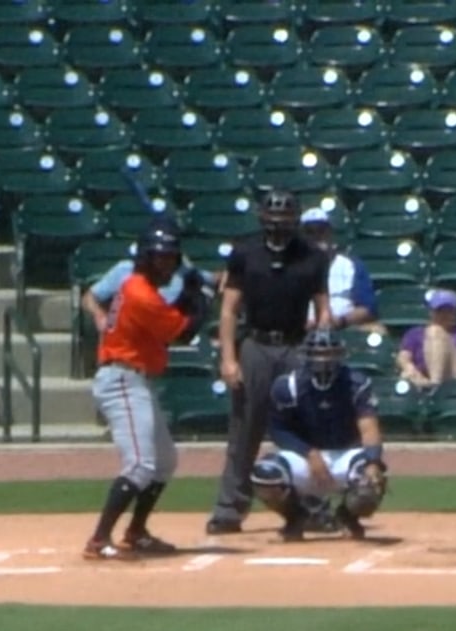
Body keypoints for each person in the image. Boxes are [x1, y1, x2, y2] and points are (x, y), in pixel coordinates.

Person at [206, 189, 332, 535]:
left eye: (286, 218)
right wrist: (228, 358)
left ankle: (314, 507)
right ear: (263, 218)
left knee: (303, 429)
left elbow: (323, 309)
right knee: (244, 430)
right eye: (274, 218)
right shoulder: (245, 253)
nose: (279, 224)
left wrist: (321, 344)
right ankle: (229, 509)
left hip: (296, 345)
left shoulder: (312, 256)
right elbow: (229, 309)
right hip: (256, 345)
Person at [84, 223, 209, 560]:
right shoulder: (140, 293)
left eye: (170, 258)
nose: (166, 264)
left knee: (164, 461)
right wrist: (200, 298)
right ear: (145, 258)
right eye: (160, 258)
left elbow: (167, 315)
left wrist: (188, 294)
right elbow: (183, 332)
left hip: (135, 379)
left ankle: (136, 532)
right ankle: (99, 540)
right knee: (140, 465)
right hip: (122, 380)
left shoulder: (141, 289)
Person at [250, 330, 388, 540]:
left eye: (329, 353)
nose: (324, 360)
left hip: (345, 454)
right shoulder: (288, 385)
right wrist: (309, 453)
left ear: (340, 354)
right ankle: (296, 517)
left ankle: (347, 516)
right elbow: (278, 430)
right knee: (265, 474)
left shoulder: (356, 383)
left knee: (369, 481)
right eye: (318, 354)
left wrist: (373, 461)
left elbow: (369, 427)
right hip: (304, 456)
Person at [299, 208, 382, 334]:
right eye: (310, 232)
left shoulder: (351, 265)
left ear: (330, 233)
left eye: (321, 231)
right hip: (302, 330)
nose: (317, 237)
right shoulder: (292, 266)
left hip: (345, 328)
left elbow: (368, 308)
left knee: (377, 330)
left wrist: (341, 321)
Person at [394, 288, 456, 387]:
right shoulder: (415, 333)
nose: (445, 315)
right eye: (440, 311)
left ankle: (435, 387)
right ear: (431, 312)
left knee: (435, 332)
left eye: (449, 311)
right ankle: (431, 387)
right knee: (405, 375)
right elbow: (403, 357)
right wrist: (410, 368)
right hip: (424, 377)